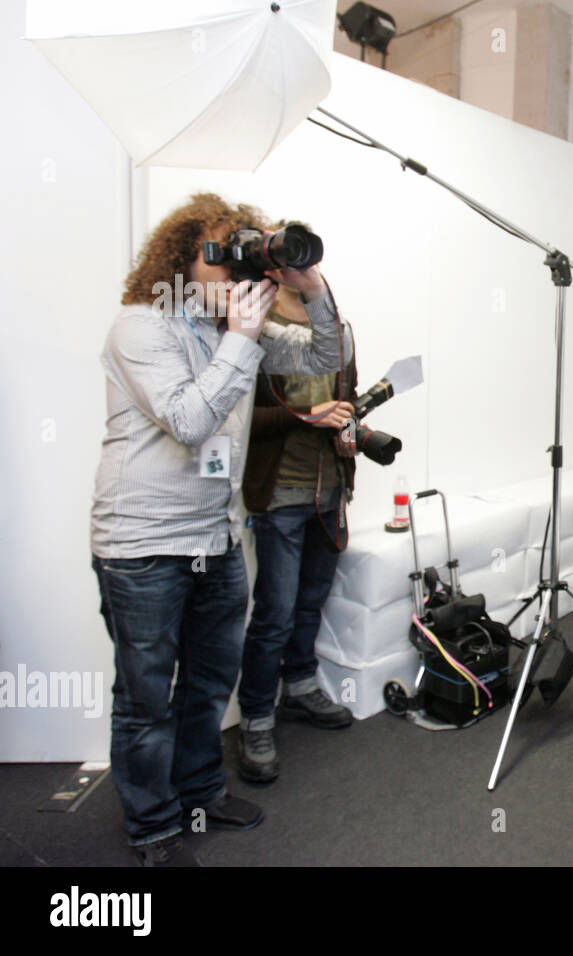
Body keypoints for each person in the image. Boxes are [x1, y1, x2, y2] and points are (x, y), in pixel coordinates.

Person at [90, 193, 350, 866]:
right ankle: (151, 827)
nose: (238, 272)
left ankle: (201, 794)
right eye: (223, 256)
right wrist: (241, 337)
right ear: (182, 260)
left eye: (245, 254)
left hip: (215, 538)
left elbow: (325, 353)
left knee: (209, 683)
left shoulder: (239, 329)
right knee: (146, 700)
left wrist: (308, 285)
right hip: (143, 548)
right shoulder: (140, 328)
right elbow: (189, 419)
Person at [237, 277, 359, 785]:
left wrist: (350, 429)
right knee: (275, 612)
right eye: (294, 267)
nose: (305, 276)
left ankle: (302, 687)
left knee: (311, 600)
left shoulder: (336, 328)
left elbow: (348, 395)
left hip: (329, 488)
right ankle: (256, 720)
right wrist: (306, 418)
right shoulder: (255, 331)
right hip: (281, 492)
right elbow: (242, 418)